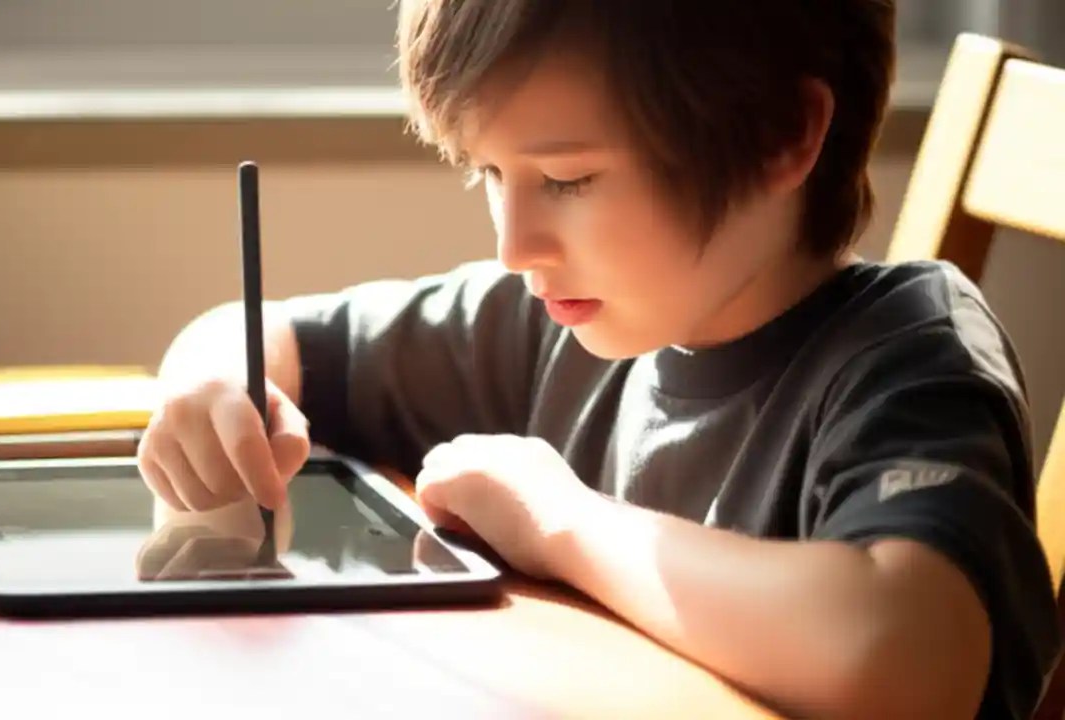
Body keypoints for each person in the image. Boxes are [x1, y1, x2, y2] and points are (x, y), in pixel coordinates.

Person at [137, 1, 1060, 716]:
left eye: (568, 179)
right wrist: (215, 390)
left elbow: (897, 654)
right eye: (489, 174)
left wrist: (563, 521)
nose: (514, 244)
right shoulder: (555, 323)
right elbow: (274, 339)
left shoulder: (909, 353)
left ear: (785, 133)